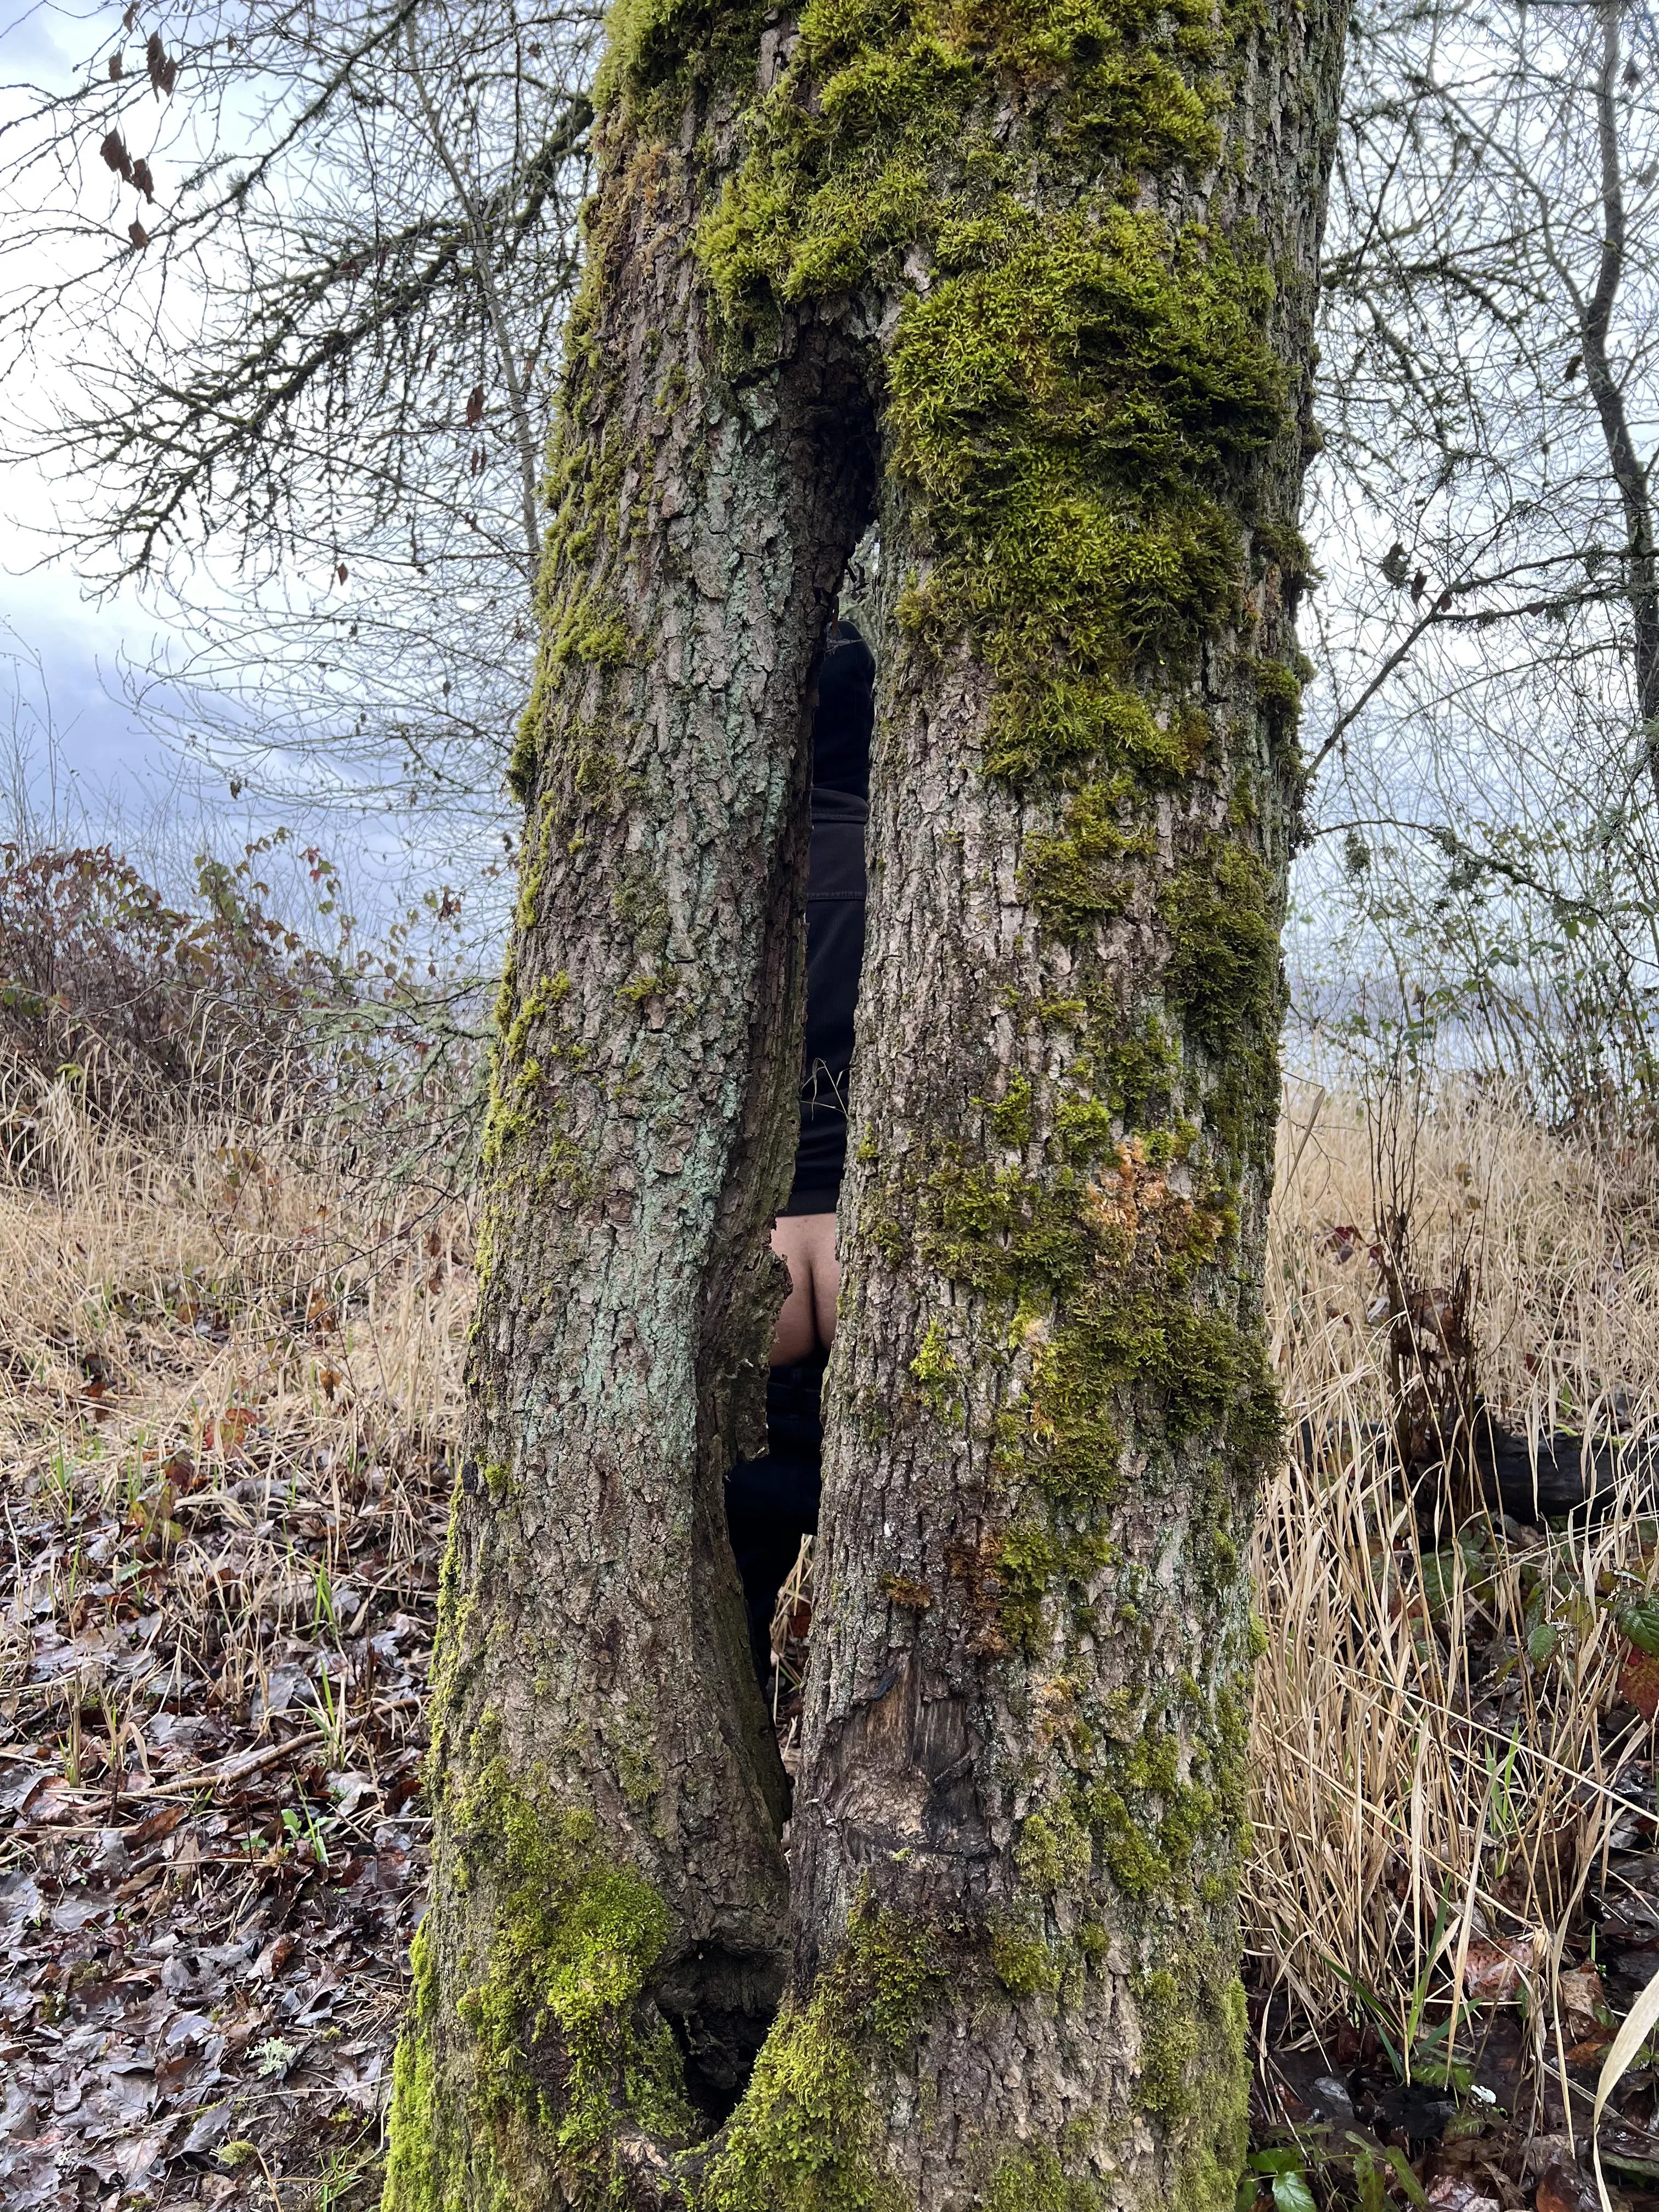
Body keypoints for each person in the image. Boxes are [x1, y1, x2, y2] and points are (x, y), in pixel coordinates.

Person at [724, 613, 874, 1684]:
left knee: (743, 1540)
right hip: (874, 1243)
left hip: (763, 1249)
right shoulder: (927, 872)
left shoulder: (731, 884)